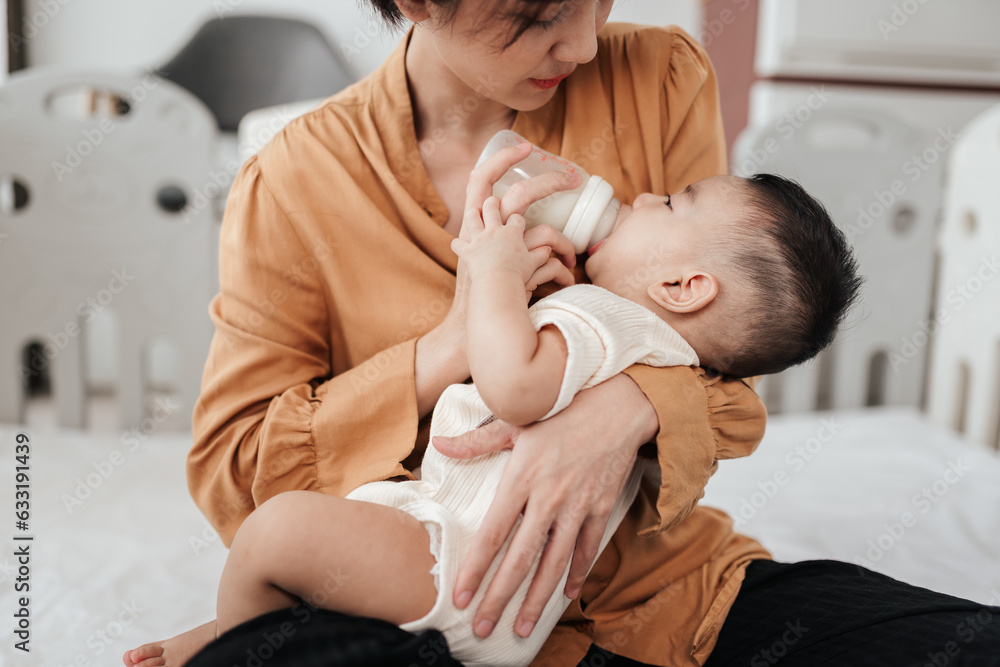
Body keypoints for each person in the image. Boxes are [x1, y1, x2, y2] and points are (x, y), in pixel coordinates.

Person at [125, 1, 1000, 665]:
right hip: (423, 603)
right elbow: (238, 476)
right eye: (536, 15)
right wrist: (452, 345)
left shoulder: (657, 78)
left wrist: (624, 409)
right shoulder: (294, 180)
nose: (582, 43)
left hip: (668, 596)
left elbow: (735, 367)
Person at [123, 162, 862, 667]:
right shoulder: (661, 351)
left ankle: (230, 643)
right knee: (311, 560)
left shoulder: (606, 318)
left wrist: (493, 273)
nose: (640, 198)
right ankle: (231, 635)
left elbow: (514, 388)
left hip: (460, 565)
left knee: (277, 531)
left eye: (669, 204)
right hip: (493, 593)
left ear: (681, 286)